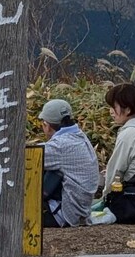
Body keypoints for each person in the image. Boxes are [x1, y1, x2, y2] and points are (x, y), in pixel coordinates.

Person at [38, 97, 100, 227]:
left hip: (65, 215)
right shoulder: (79, 136)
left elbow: (28, 157)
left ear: (46, 126)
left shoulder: (60, 146)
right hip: (81, 210)